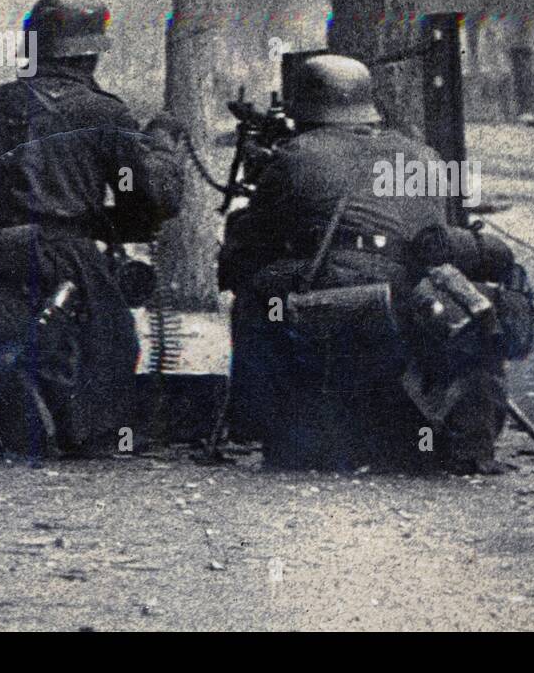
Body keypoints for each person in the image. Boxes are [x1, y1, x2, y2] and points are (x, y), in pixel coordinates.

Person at [0, 0, 185, 458]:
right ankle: (75, 424)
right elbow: (148, 204)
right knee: (113, 347)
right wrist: (160, 150)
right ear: (90, 54)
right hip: (61, 255)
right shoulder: (103, 114)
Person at [218, 54, 509, 473]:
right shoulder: (422, 156)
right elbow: (438, 232)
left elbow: (256, 241)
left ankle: (257, 424)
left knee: (256, 291)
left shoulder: (296, 155)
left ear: (305, 106)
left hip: (336, 292)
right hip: (412, 295)